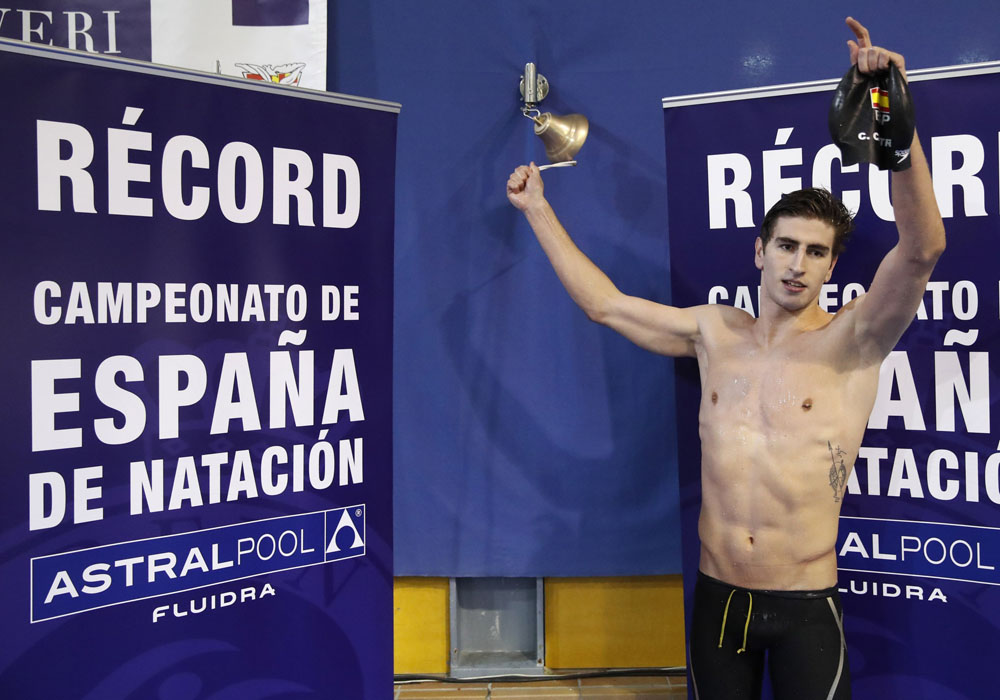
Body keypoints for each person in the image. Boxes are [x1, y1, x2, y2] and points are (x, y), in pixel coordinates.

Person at [506, 17, 944, 700]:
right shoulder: (714, 333)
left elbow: (921, 250)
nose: (799, 265)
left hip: (805, 609)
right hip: (718, 604)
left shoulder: (853, 341)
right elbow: (607, 306)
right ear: (759, 251)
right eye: (788, 246)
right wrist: (537, 210)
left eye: (817, 252)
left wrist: (895, 116)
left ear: (832, 266)